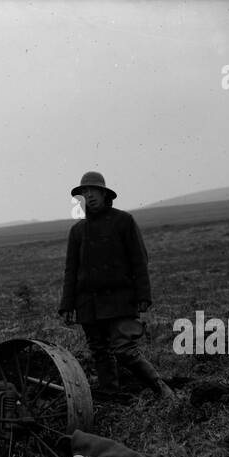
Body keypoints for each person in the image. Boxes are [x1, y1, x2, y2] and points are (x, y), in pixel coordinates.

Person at [59, 171, 174, 401]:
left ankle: (162, 390)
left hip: (120, 299)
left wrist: (143, 294)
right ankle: (112, 395)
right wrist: (67, 305)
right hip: (88, 303)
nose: (89, 196)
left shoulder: (124, 221)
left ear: (104, 194)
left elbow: (139, 260)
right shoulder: (78, 231)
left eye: (93, 191)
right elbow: (71, 270)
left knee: (124, 350)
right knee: (100, 352)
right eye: (85, 192)